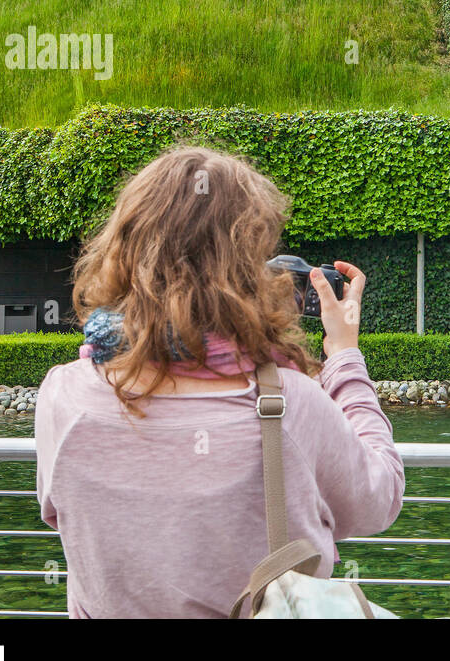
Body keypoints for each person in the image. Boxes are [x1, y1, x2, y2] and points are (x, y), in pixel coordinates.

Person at [34, 143, 404, 618]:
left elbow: (66, 515)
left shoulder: (64, 396)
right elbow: (379, 499)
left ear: (122, 250)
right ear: (248, 269)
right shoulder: (289, 402)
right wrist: (346, 357)